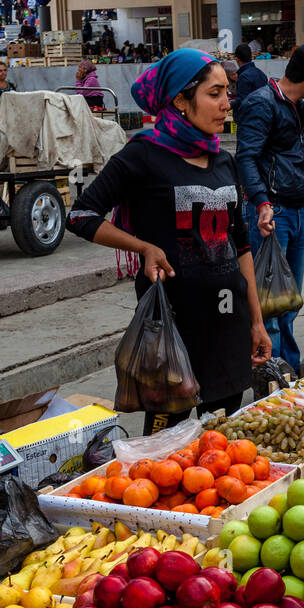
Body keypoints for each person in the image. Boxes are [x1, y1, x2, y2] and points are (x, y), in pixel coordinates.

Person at [67, 49, 271, 435]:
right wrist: (142, 247)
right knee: (163, 450)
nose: (227, 104)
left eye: (228, 92)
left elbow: (241, 246)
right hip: (172, 335)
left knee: (221, 444)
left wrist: (257, 322)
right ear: (180, 99)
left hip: (229, 328)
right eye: (215, 94)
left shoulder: (224, 162)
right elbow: (80, 216)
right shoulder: (143, 156)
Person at [236, 42, 304, 374]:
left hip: (293, 210)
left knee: (289, 301)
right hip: (269, 213)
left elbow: (294, 160)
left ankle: (288, 370)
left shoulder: (298, 107)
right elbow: (246, 157)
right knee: (269, 303)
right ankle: (270, 374)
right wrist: (261, 202)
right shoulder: (261, 104)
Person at [232, 42, 268, 120]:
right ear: (251, 57)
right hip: (263, 116)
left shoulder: (244, 77)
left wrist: (228, 105)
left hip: (249, 119)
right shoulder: (261, 74)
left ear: (237, 59)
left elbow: (242, 101)